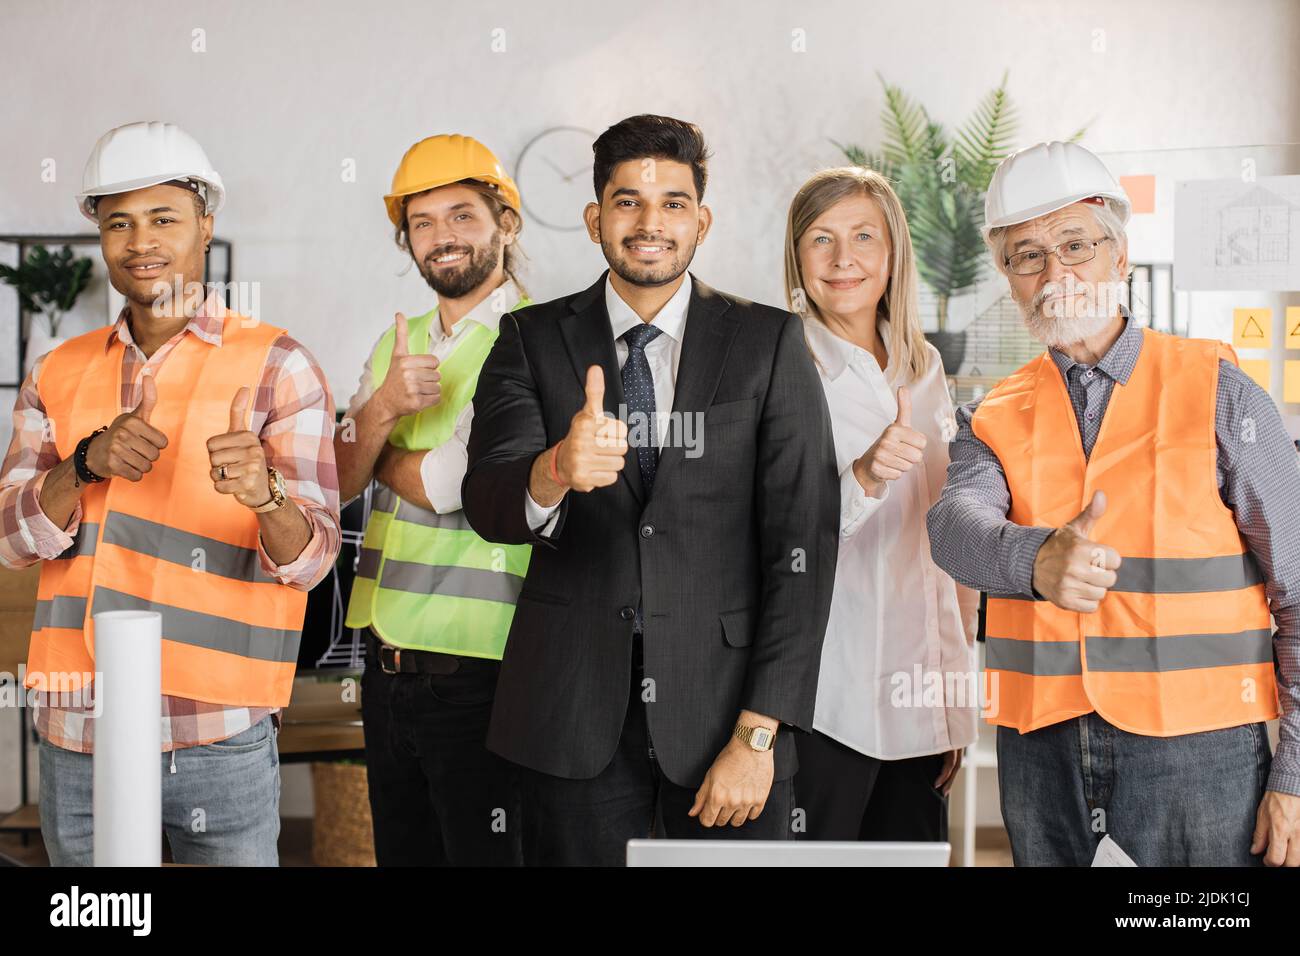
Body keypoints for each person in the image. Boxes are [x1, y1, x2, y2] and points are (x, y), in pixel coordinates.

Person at [462, 114, 839, 865]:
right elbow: (489, 501)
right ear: (595, 217)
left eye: (672, 202)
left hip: (725, 713)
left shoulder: (768, 342)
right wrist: (555, 471)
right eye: (627, 200)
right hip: (570, 715)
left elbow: (805, 545)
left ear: (701, 220)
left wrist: (759, 733)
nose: (649, 222)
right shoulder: (529, 339)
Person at [927, 140, 1300, 867]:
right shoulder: (992, 413)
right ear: (1007, 278)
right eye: (1027, 255)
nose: (1055, 272)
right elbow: (953, 527)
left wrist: (1295, 774)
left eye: (1075, 245)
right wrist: (1036, 560)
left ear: (1119, 257)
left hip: (1201, 752)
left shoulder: (1222, 395)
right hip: (1042, 751)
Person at [0, 121, 340, 866]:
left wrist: (267, 494)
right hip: (77, 725)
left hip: (215, 727)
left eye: (163, 218)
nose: (140, 241)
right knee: (98, 921)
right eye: (119, 222)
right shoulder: (56, 371)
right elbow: (11, 542)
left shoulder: (278, 365)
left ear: (205, 226)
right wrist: (81, 465)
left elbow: (312, 561)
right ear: (99, 234)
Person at [338, 134, 530, 866]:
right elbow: (337, 479)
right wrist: (385, 405)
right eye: (422, 223)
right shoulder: (400, 340)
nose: (440, 236)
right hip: (386, 668)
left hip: (482, 671)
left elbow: (449, 487)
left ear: (504, 223)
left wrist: (368, 436)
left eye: (462, 215)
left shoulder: (533, 337)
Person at [785, 167, 979, 842]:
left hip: (920, 702)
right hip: (825, 704)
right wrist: (863, 476)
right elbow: (772, 536)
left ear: (892, 251)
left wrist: (952, 704)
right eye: (821, 239)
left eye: (864, 236)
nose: (844, 259)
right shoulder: (779, 364)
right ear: (796, 257)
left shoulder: (924, 367)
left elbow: (944, 549)